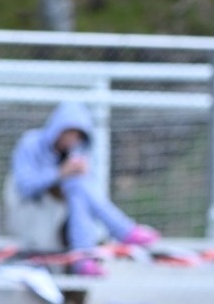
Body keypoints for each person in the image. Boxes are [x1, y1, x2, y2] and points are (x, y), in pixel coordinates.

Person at [8, 100, 159, 273]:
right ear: (58, 128)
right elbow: (24, 187)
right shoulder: (31, 142)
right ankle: (122, 231)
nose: (73, 140)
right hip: (32, 213)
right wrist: (59, 173)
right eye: (70, 133)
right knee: (78, 186)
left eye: (78, 136)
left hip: (65, 216)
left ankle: (85, 256)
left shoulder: (74, 152)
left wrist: (82, 173)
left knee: (79, 187)